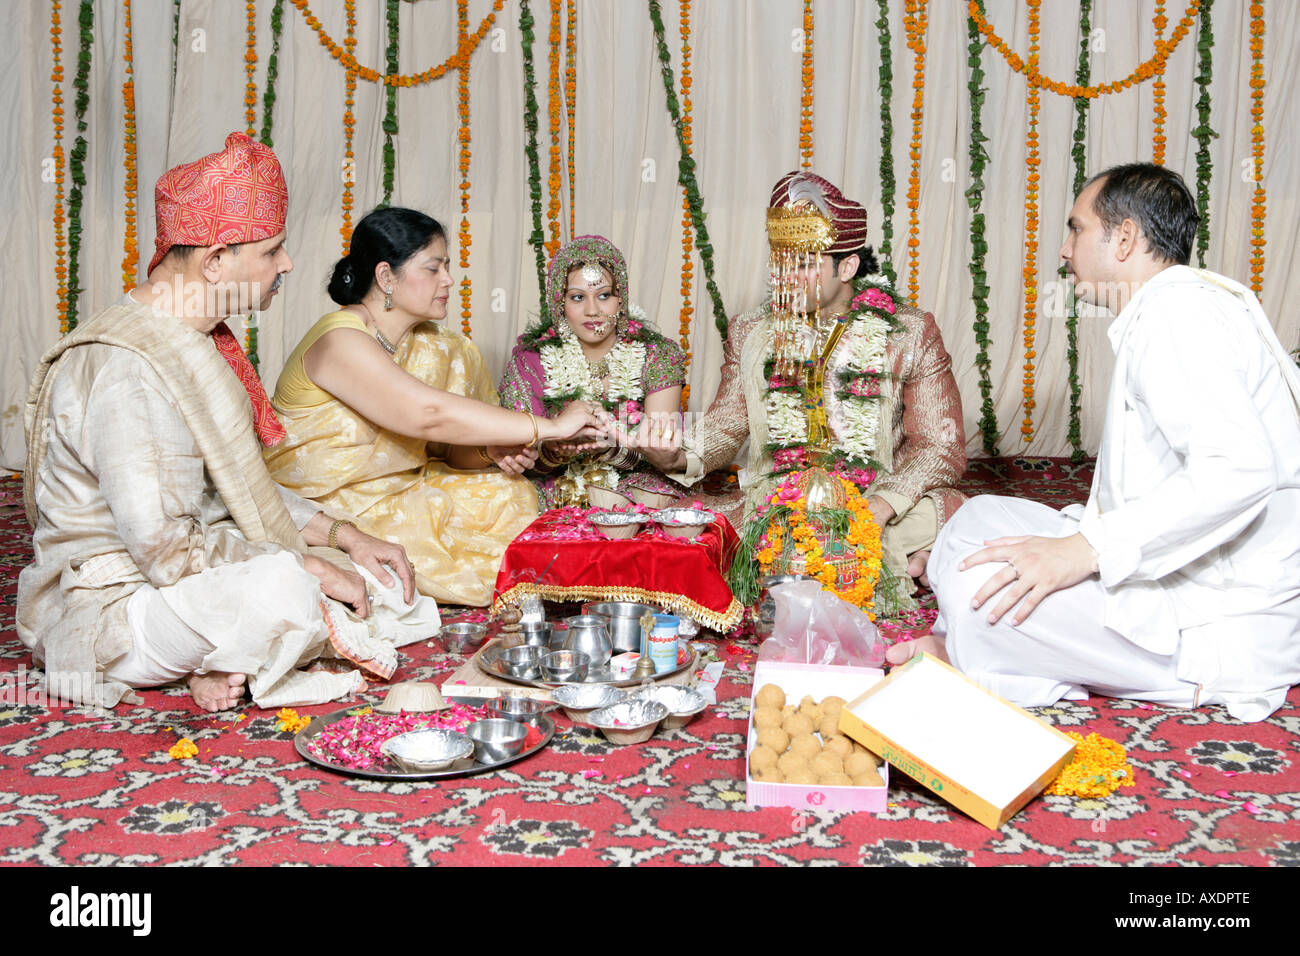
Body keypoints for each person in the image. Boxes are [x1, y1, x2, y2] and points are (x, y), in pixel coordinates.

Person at [19, 132, 441, 713]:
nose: (287, 264)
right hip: (119, 599)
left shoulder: (198, 341)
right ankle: (214, 658)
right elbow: (164, 549)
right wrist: (303, 565)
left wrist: (346, 536)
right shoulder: (129, 367)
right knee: (283, 589)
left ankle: (234, 654)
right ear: (216, 261)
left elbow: (236, 489)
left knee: (393, 589)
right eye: (271, 251)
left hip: (188, 578)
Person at [892, 163, 1300, 723]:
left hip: (1215, 624)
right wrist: (1078, 542)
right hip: (1187, 574)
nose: (1064, 249)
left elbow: (1238, 473)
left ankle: (966, 648)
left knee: (981, 583)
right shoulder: (1181, 304)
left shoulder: (1177, 316)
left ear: (1126, 237)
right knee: (978, 519)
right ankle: (975, 639)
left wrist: (1083, 552)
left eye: (1077, 229)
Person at [641, 171, 966, 608]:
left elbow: (940, 445)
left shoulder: (907, 332)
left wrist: (882, 507)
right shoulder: (751, 332)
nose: (785, 278)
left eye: (804, 263)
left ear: (847, 266)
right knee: (678, 520)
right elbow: (726, 423)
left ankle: (866, 555)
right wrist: (677, 454)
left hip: (872, 498)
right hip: (777, 501)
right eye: (780, 261)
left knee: (960, 512)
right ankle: (888, 563)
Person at [265, 207, 603, 606]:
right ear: (386, 276)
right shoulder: (339, 340)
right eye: (433, 268)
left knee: (506, 492)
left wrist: (487, 449)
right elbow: (426, 414)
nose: (448, 280)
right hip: (328, 504)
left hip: (407, 488)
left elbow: (445, 449)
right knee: (447, 534)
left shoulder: (443, 347)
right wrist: (549, 427)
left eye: (447, 266)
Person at [497, 234, 689, 509]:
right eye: (577, 297)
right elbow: (515, 456)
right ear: (559, 304)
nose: (593, 310)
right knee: (510, 496)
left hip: (634, 486)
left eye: (604, 295)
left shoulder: (657, 356)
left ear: (620, 299)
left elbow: (664, 452)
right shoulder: (530, 361)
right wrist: (553, 451)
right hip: (553, 489)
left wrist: (613, 447)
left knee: (654, 497)